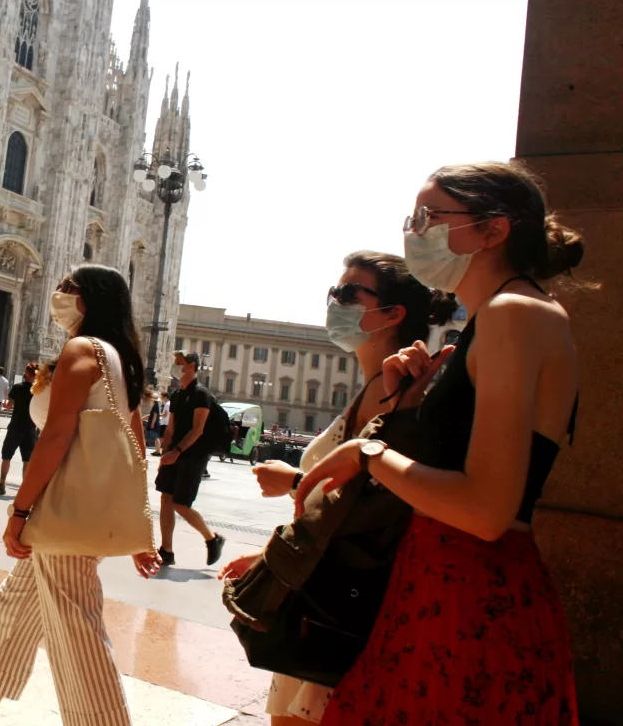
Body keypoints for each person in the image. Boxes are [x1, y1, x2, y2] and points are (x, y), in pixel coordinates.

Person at [298, 161, 585, 724]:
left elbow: (485, 510)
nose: (414, 230)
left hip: (466, 589)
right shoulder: (506, 315)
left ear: (493, 229)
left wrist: (369, 454)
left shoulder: (512, 313)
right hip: (450, 578)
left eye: (429, 216)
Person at [220, 249, 457, 726]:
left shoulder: (400, 392)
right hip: (320, 590)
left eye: (350, 293)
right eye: (335, 292)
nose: (335, 301)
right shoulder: (374, 385)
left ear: (392, 313)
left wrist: (295, 489)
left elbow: (367, 505)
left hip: (338, 607)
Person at [0, 264, 161, 726]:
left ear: (88, 298)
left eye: (67, 288)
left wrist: (19, 511)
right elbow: (137, 448)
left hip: (65, 513)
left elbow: (55, 437)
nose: (57, 294)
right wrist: (142, 529)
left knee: (78, 632)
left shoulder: (82, 350)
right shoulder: (117, 356)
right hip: (82, 512)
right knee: (17, 612)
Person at [155, 352, 225, 567]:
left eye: (179, 363)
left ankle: (212, 538)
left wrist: (176, 452)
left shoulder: (201, 394)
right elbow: (171, 429)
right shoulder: (177, 395)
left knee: (180, 504)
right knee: (166, 499)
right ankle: (166, 550)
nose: (175, 366)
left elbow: (197, 430)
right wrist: (164, 454)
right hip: (174, 452)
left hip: (193, 455)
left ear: (191, 366)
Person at [0, 362, 40, 494]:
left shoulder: (18, 387)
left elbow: (8, 406)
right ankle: (25, 489)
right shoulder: (38, 391)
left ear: (26, 373)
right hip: (30, 428)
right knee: (27, 460)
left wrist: (5, 404)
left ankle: (1, 484)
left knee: (6, 456)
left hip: (16, 427)